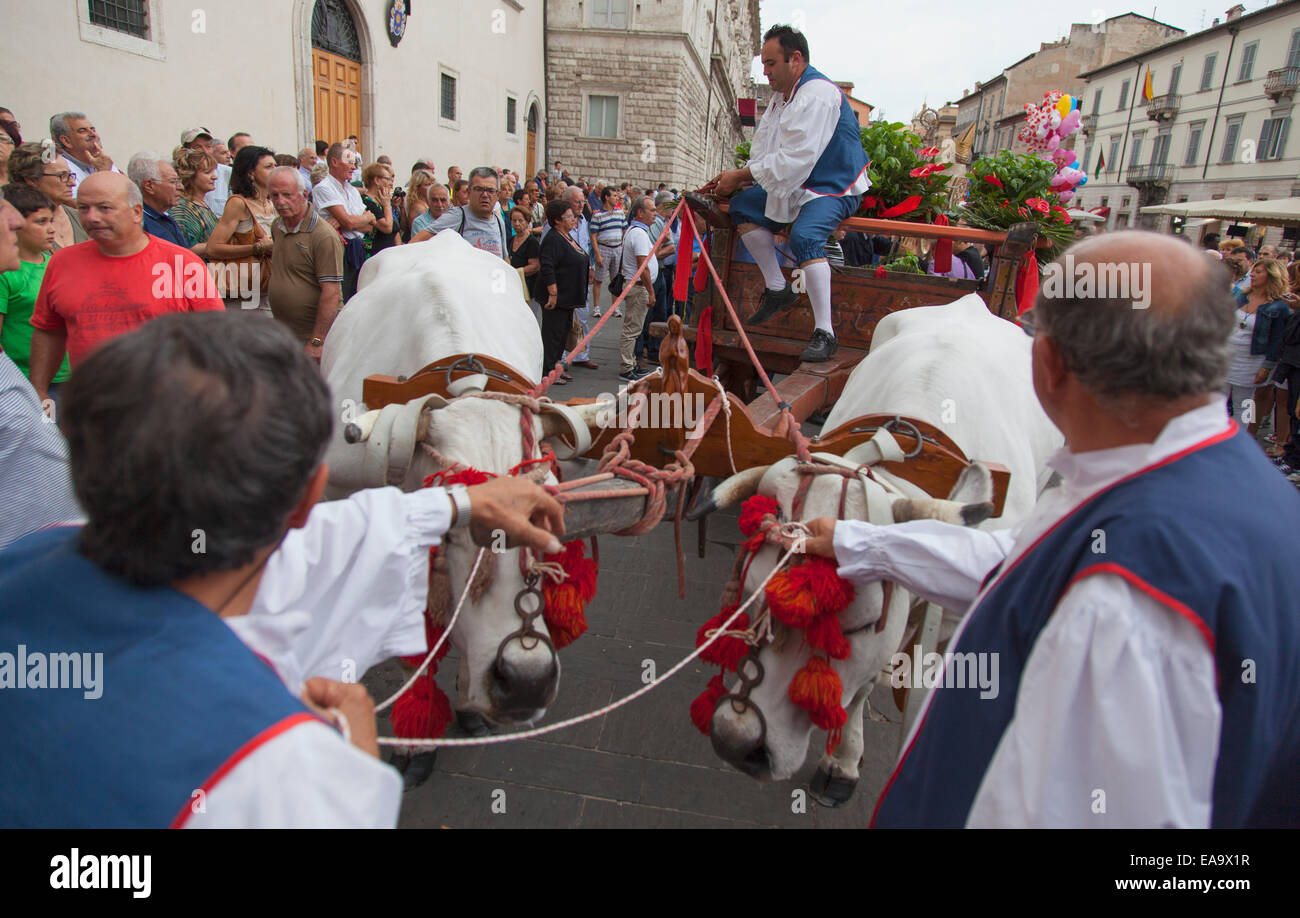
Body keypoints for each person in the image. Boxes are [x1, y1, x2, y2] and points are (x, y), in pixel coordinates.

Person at [799, 231, 1300, 828]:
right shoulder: (1212, 482)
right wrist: (863, 542)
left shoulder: (1117, 603)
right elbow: (1026, 567)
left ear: (1049, 362)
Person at [0, 311, 565, 827]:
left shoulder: (27, 554)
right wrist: (355, 761)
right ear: (309, 498)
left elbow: (338, 536)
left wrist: (459, 503)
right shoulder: (289, 772)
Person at [707, 25, 869, 362]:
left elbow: (797, 158)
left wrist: (740, 174)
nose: (765, 72)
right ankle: (778, 289)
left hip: (834, 185)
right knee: (742, 207)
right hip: (797, 184)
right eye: (764, 65)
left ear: (795, 59)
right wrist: (742, 181)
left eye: (770, 63)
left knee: (806, 236)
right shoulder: (782, 98)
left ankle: (826, 332)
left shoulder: (818, 94)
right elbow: (766, 149)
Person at [26, 172, 222, 401]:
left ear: (136, 212)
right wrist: (38, 390)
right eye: (83, 208)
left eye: (104, 208)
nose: (92, 218)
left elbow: (216, 337)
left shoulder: (181, 263)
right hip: (90, 405)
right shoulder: (61, 262)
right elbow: (49, 331)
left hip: (166, 407)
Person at [267, 167, 343, 360]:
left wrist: (317, 341)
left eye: (287, 195)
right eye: (274, 195)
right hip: (285, 333)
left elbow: (331, 292)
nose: (280, 202)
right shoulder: (277, 226)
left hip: (311, 336)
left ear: (304, 195)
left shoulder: (323, 235)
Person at [0, 185, 71, 388]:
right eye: (41, 222)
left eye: (51, 221)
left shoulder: (56, 263)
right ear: (13, 225)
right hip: (23, 379)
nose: (51, 229)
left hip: (66, 373)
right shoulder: (6, 272)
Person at [206, 145, 277, 311]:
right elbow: (213, 248)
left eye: (275, 165)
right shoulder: (238, 203)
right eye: (268, 167)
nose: (275, 170)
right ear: (251, 173)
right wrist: (257, 247)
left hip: (268, 287)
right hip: (245, 289)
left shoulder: (272, 203)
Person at [1228, 257, 1290, 433]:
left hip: (1251, 361)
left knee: (1245, 402)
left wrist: (1267, 367)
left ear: (1271, 276)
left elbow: (1277, 340)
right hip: (1227, 354)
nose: (1252, 275)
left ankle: (1242, 439)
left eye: (1258, 271)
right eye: (1253, 271)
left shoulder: (1279, 307)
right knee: (1217, 399)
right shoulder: (1241, 296)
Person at [313, 143, 375, 302]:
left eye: (355, 163)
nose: (354, 167)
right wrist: (362, 218)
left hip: (358, 248)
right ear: (334, 162)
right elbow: (349, 223)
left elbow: (369, 226)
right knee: (342, 297)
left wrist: (356, 220)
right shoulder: (324, 188)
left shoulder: (352, 190)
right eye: (350, 162)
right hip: (339, 249)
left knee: (358, 296)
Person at [537, 199, 589, 384]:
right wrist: (553, 293)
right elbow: (547, 266)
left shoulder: (566, 235)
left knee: (562, 334)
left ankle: (556, 369)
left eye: (573, 216)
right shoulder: (552, 239)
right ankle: (548, 372)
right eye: (569, 216)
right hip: (556, 298)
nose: (573, 219)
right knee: (553, 336)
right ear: (557, 220)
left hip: (568, 298)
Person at [5, 142, 88, 249]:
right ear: (32, 179)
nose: (72, 183)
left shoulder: (80, 217)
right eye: (62, 175)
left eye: (71, 175)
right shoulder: (13, 224)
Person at [555, 186, 598, 370]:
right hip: (565, 279)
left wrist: (590, 267)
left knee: (583, 317)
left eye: (582, 201)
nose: (581, 205)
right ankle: (561, 359)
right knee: (564, 321)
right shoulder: (557, 223)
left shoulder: (583, 221)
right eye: (577, 201)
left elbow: (586, 247)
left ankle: (581, 355)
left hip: (582, 276)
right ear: (567, 202)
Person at [618, 194, 659, 383]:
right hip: (638, 287)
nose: (655, 213)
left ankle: (631, 364)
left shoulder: (636, 232)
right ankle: (627, 367)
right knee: (632, 329)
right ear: (640, 212)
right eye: (652, 210)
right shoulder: (639, 234)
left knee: (634, 328)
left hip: (637, 286)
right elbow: (643, 268)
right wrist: (650, 292)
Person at [426, 167, 508, 260]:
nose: (485, 195)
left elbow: (505, 259)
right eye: (479, 189)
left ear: (497, 195)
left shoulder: (499, 222)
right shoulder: (457, 216)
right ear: (469, 192)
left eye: (490, 190)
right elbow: (417, 243)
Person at [127, 152, 187, 249]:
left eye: (179, 181)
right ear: (149, 186)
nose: (181, 187)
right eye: (173, 182)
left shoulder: (163, 216)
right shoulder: (138, 225)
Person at [49, 111, 120, 193]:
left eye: (93, 129)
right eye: (83, 131)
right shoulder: (59, 169)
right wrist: (105, 174)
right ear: (66, 141)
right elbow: (81, 203)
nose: (93, 134)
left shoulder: (103, 161)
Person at [169, 146, 220, 255]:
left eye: (213, 171)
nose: (214, 177)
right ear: (190, 176)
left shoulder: (200, 203)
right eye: (207, 172)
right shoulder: (183, 209)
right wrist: (226, 247)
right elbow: (186, 248)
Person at [591, 186, 626, 319]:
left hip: (617, 248)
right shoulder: (597, 215)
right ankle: (596, 307)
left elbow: (624, 230)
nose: (616, 198)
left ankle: (615, 307)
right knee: (598, 279)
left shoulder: (620, 213)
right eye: (614, 195)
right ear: (606, 197)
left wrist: (622, 246)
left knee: (616, 279)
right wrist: (597, 254)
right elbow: (593, 235)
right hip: (604, 248)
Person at [361, 162, 399, 256]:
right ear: (377, 180)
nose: (390, 183)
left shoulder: (382, 200)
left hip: (388, 254)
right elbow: (387, 227)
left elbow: (395, 231)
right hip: (374, 255)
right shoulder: (366, 202)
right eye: (387, 179)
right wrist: (387, 206)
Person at [508, 204, 541, 314]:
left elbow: (535, 266)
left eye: (520, 221)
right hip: (514, 287)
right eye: (514, 220)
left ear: (527, 222)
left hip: (530, 288)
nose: (517, 224)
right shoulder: (510, 240)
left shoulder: (532, 242)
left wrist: (515, 272)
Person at [400, 169, 437, 240]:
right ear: (417, 187)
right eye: (427, 185)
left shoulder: (428, 203)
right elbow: (418, 234)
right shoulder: (418, 207)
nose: (431, 187)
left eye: (432, 184)